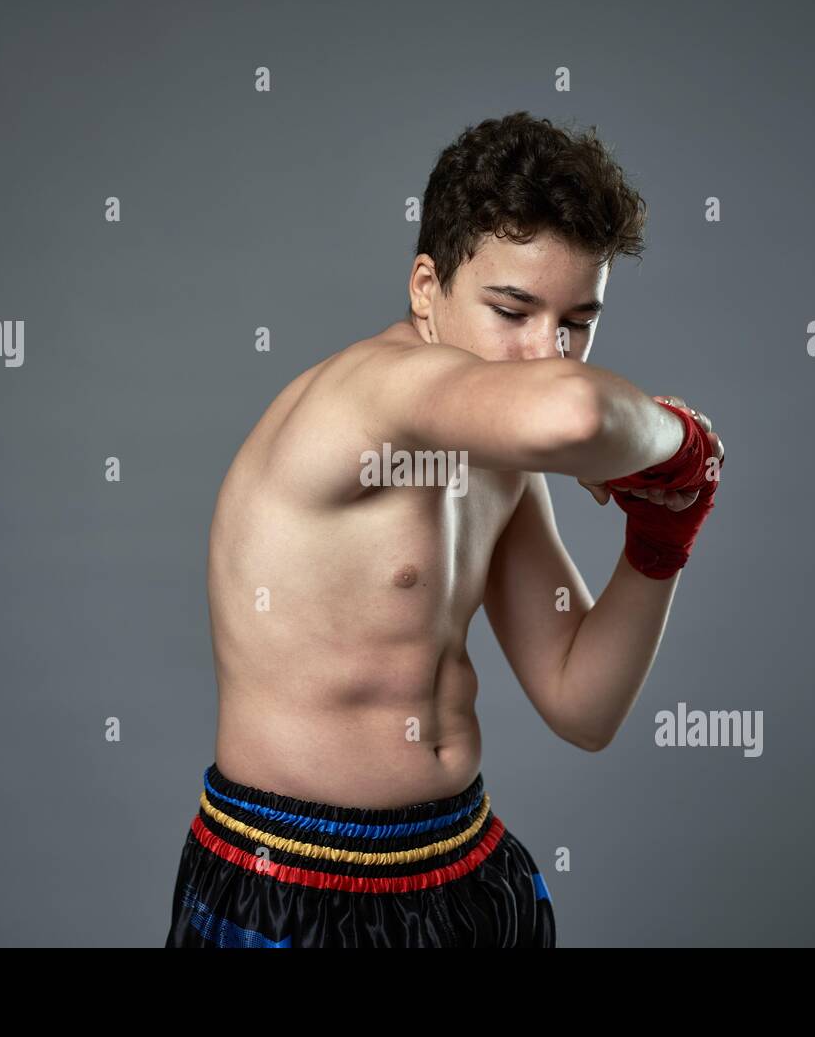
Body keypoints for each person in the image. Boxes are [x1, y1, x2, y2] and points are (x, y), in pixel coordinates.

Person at [164, 111, 725, 948]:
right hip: (294, 887)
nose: (549, 352)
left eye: (577, 320)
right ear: (427, 289)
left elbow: (583, 702)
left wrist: (663, 534)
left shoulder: (497, 455)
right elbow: (572, 413)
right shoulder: (370, 391)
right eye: (513, 310)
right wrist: (688, 443)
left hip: (464, 869)